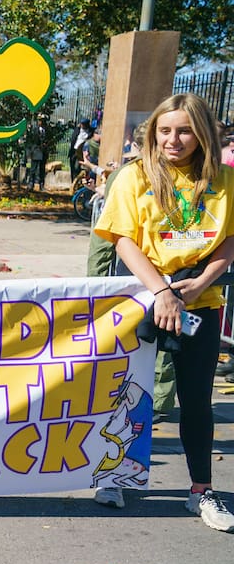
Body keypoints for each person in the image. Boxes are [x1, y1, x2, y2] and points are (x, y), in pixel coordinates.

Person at [92, 93, 234, 531]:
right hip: (144, 300)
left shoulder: (225, 180)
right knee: (126, 394)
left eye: (185, 130)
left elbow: (229, 240)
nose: (174, 139)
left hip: (201, 303)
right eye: (165, 130)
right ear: (153, 132)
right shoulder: (133, 176)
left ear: (203, 134)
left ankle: (201, 492)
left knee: (196, 401)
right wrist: (163, 292)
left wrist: (203, 281)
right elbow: (122, 239)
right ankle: (113, 477)